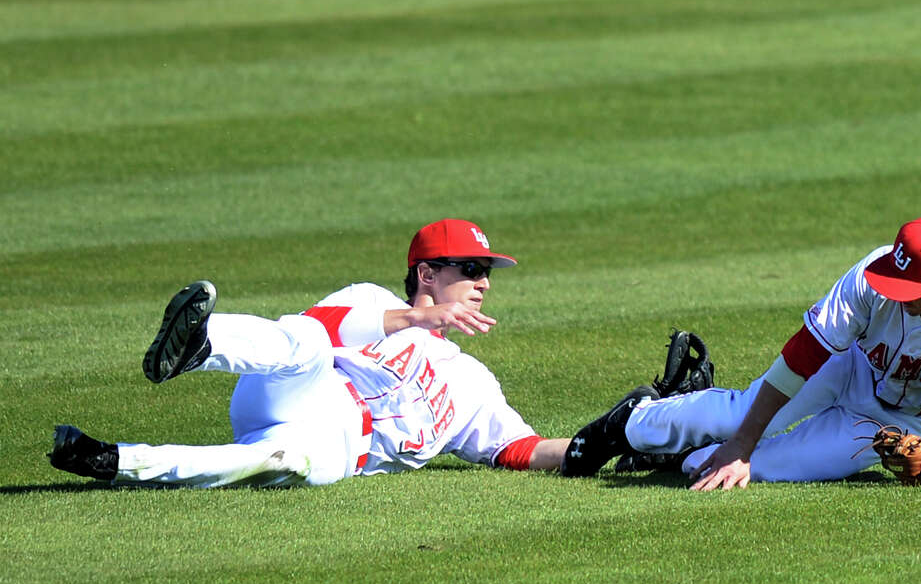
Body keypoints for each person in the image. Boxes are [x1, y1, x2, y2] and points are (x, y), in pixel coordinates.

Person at [562, 215, 921, 490]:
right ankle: (627, 424)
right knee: (741, 417)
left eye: (909, 285)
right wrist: (743, 439)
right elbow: (803, 355)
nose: (891, 289)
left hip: (891, 426)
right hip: (842, 367)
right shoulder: (875, 273)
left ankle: (668, 455)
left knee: (741, 469)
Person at [48, 219, 571, 488]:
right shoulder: (372, 301)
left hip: (339, 448)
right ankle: (201, 346)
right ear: (428, 274)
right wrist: (414, 319)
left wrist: (609, 440)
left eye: (487, 272)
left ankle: (113, 460)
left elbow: (520, 450)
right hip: (300, 393)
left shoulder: (473, 382)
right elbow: (309, 329)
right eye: (471, 268)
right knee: (306, 342)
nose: (483, 282)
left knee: (277, 463)